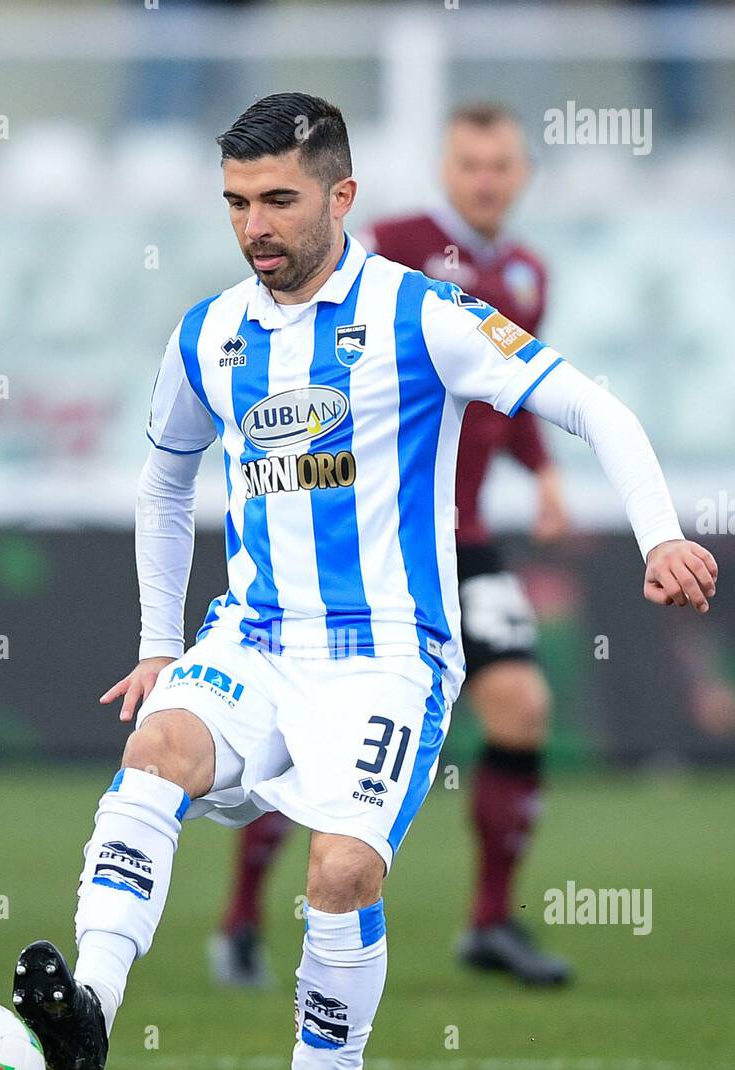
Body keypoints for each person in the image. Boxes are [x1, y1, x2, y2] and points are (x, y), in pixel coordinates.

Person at [12, 93, 716, 1070]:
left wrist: (659, 531)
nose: (256, 226)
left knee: (340, 875)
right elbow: (161, 483)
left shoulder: (422, 315)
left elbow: (588, 402)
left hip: (387, 653)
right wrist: (157, 644)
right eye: (237, 202)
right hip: (254, 635)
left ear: (342, 197)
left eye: (279, 200)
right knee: (156, 748)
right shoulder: (207, 333)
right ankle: (89, 1009)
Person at [213, 102, 572, 988]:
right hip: (359, 534)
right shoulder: (386, 243)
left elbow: (503, 382)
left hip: (464, 538)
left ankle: (490, 924)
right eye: (469, 165)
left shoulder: (524, 270)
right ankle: (241, 919)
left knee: (521, 706)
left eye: (499, 166)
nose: (485, 180)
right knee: (299, 735)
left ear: (519, 174)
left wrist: (543, 471)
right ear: (445, 171)